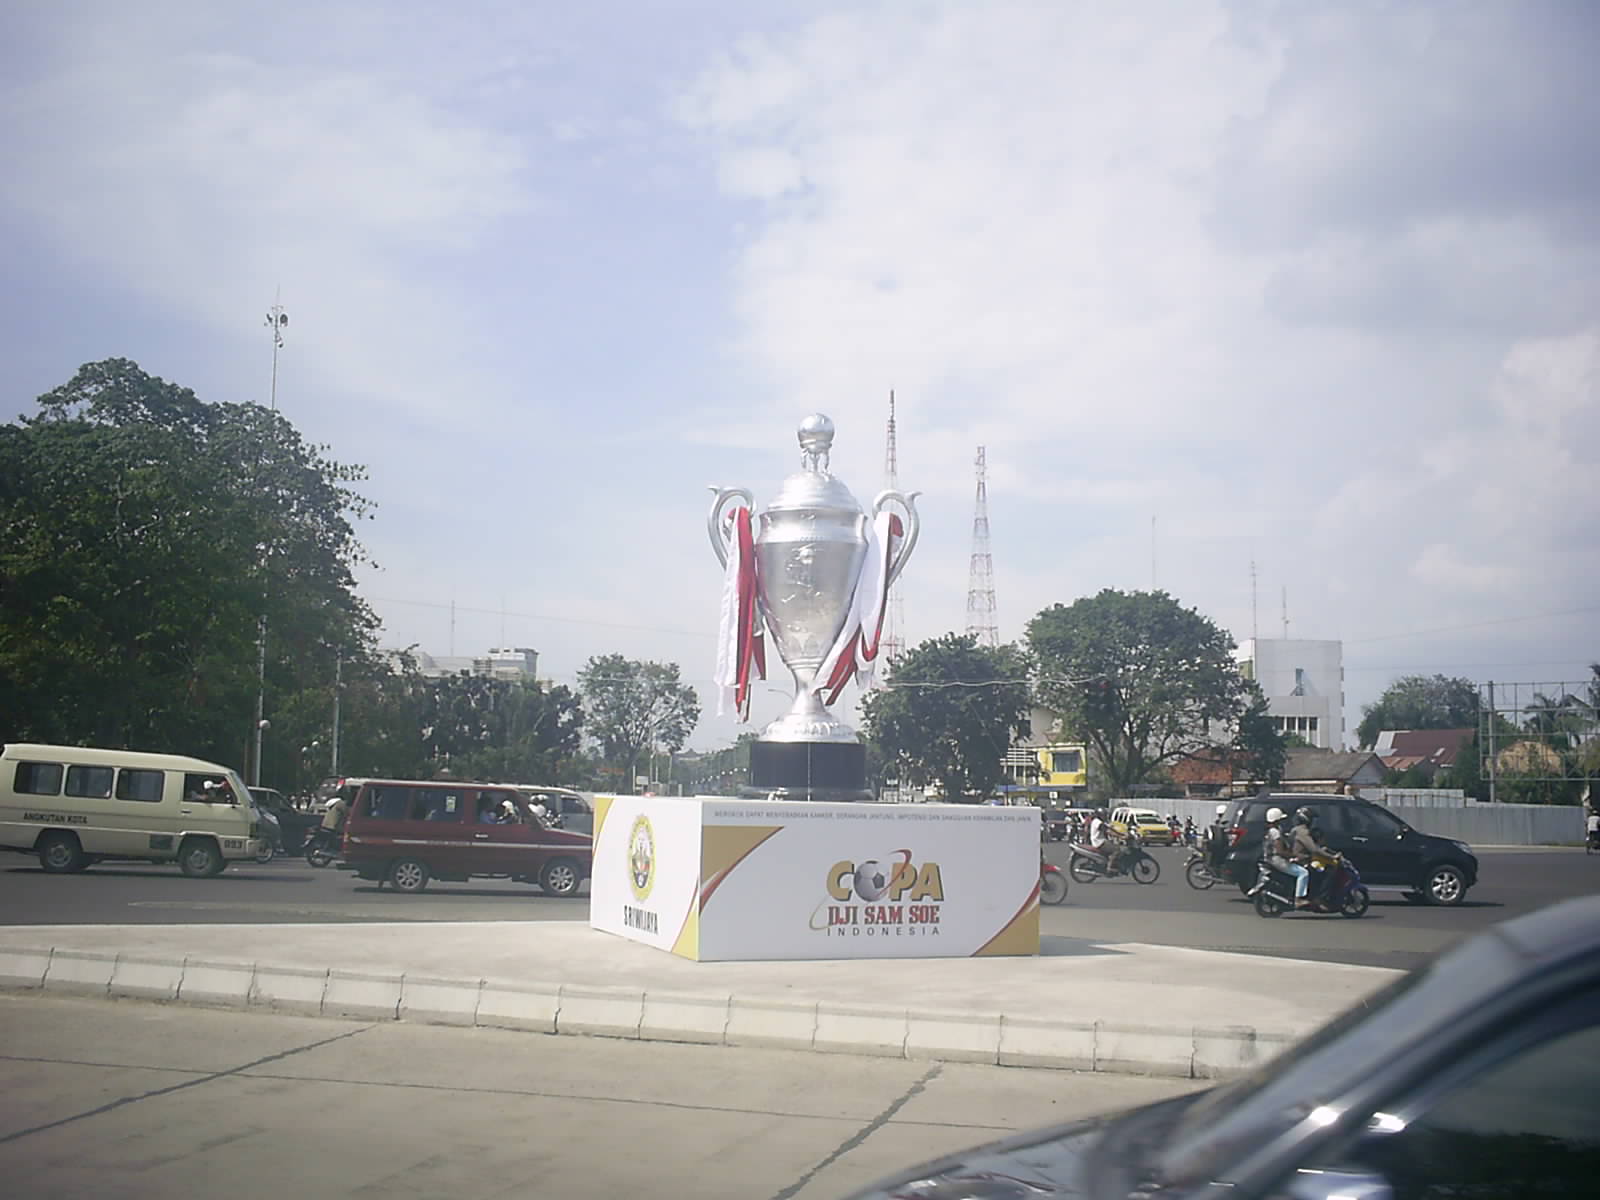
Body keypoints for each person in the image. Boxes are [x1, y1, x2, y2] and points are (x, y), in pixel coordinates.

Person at [1253, 806, 1310, 904]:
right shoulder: (1275, 833)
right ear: (1276, 820)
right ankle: (1298, 899)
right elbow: (1280, 851)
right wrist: (1294, 856)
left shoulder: (1271, 830)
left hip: (1270, 859)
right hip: (1277, 860)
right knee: (1303, 873)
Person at [1289, 806, 1330, 903]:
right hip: (1302, 859)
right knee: (1322, 872)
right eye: (1312, 819)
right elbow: (1314, 849)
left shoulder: (1296, 829)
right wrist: (1330, 856)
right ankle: (1313, 898)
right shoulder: (1303, 832)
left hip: (1300, 858)